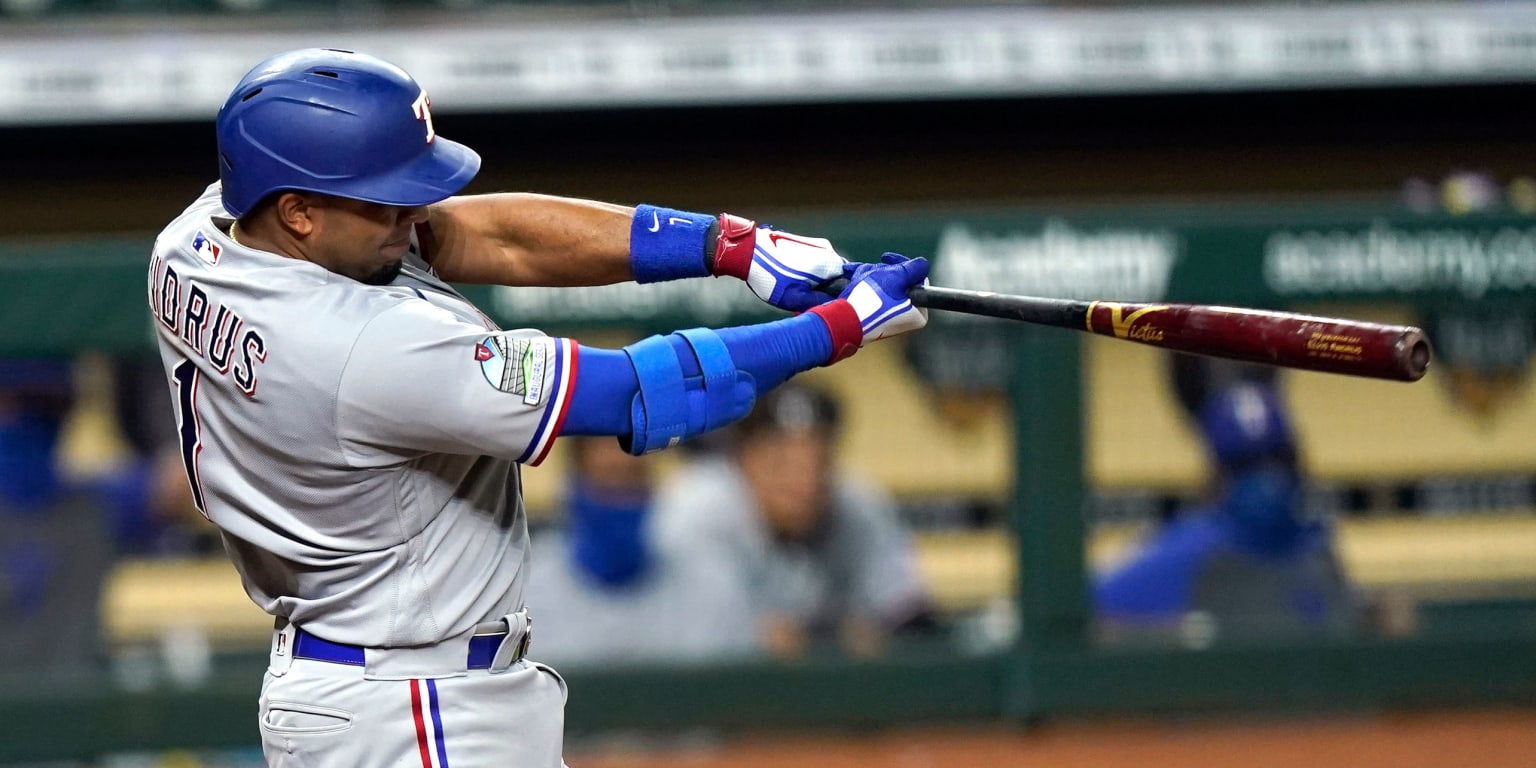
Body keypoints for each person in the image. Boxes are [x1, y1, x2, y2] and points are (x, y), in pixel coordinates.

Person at [148, 48, 929, 767]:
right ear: (297, 211)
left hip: (368, 679)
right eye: (382, 203)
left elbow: (493, 238)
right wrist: (837, 329)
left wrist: (726, 245)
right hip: (414, 704)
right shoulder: (363, 350)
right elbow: (637, 392)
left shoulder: (197, 239)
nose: (408, 218)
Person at [650, 383, 936, 660]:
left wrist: (812, 640)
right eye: (780, 463)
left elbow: (909, 622)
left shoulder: (855, 503)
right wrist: (838, 639)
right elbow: (709, 652)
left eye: (817, 462)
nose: (804, 482)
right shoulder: (699, 508)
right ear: (741, 459)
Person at [1092, 381, 1360, 640]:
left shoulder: (1317, 544)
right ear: (1216, 475)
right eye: (1243, 466)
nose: (1267, 479)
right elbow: (1090, 614)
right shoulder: (1181, 552)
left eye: (1278, 460)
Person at [526, 437, 758, 666]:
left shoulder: (711, 588)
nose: (621, 497)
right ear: (574, 485)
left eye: (633, 477)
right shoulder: (526, 592)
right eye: (607, 479)